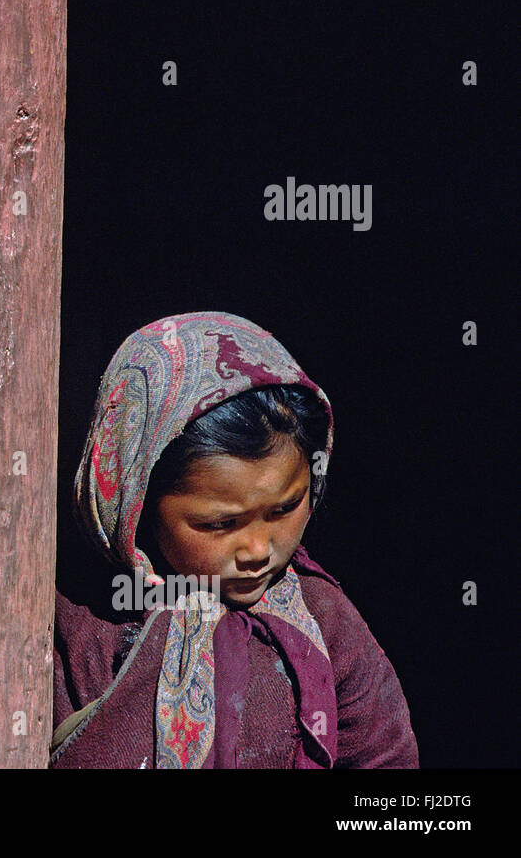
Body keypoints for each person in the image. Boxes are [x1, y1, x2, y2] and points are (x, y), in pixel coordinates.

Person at [51, 311, 417, 768]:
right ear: (136, 507)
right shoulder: (82, 621)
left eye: (285, 508)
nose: (259, 551)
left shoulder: (324, 619)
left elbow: (383, 757)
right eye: (220, 524)